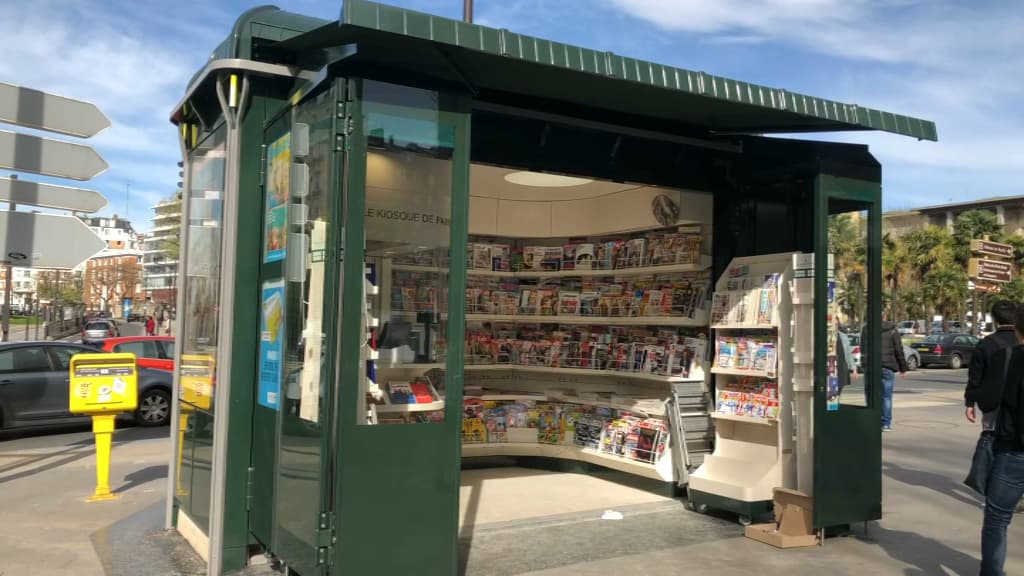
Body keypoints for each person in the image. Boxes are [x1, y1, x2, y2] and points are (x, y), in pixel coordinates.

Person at [979, 304, 1024, 575]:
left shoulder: (1008, 357)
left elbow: (988, 401)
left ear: (1018, 328)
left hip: (1013, 449)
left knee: (997, 519)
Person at [966, 301, 1018, 432]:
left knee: (989, 437)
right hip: (1019, 401)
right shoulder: (1020, 341)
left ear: (994, 320)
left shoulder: (985, 344)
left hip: (993, 403)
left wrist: (970, 403)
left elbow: (975, 377)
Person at [862, 320, 909, 431]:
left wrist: (864, 364)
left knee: (870, 393)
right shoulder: (893, 330)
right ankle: (886, 423)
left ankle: (871, 419)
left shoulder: (866, 329)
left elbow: (863, 348)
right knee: (886, 397)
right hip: (887, 367)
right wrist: (903, 367)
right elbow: (899, 349)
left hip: (871, 366)